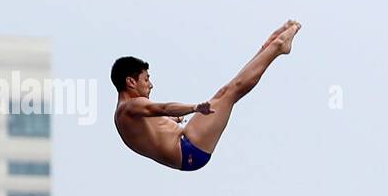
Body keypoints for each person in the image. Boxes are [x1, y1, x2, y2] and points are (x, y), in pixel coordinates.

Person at [111, 19, 301, 171]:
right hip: (188, 149)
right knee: (230, 93)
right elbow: (161, 107)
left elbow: (154, 127)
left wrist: (172, 119)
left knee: (225, 92)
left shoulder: (127, 114)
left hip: (187, 150)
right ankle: (276, 47)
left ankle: (267, 49)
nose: (151, 85)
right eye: (146, 79)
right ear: (130, 82)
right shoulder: (129, 107)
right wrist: (194, 107)